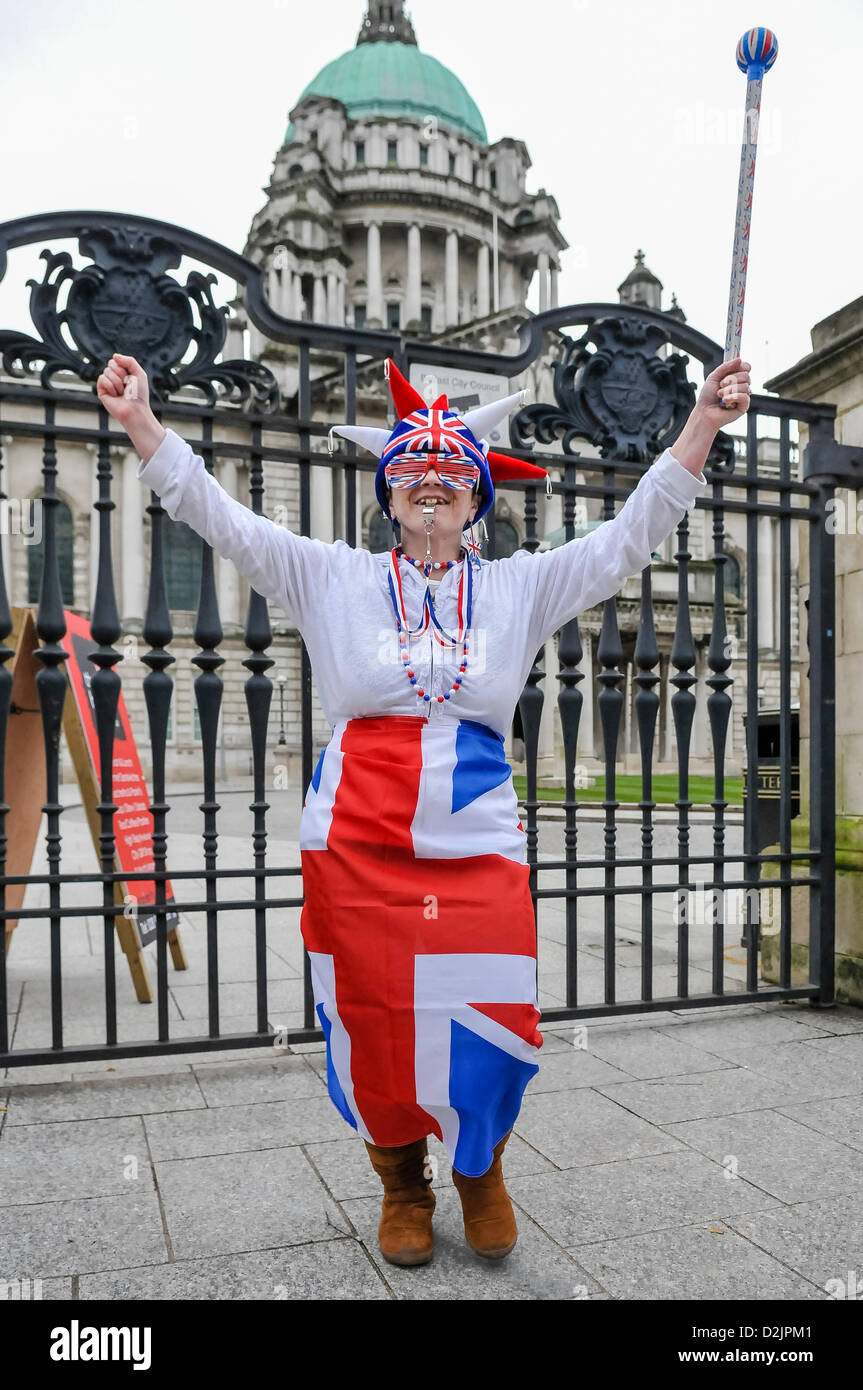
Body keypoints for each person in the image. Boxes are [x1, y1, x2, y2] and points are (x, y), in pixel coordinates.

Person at [97, 349, 750, 1267]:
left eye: (450, 470)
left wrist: (700, 425)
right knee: (369, 1011)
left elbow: (627, 537)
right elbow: (221, 517)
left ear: (477, 494)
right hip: (356, 832)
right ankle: (402, 1180)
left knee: (494, 1004)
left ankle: (480, 1167)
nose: (431, 481)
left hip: (475, 831)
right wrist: (141, 424)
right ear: (388, 492)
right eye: (412, 468)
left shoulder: (521, 585)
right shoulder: (329, 575)